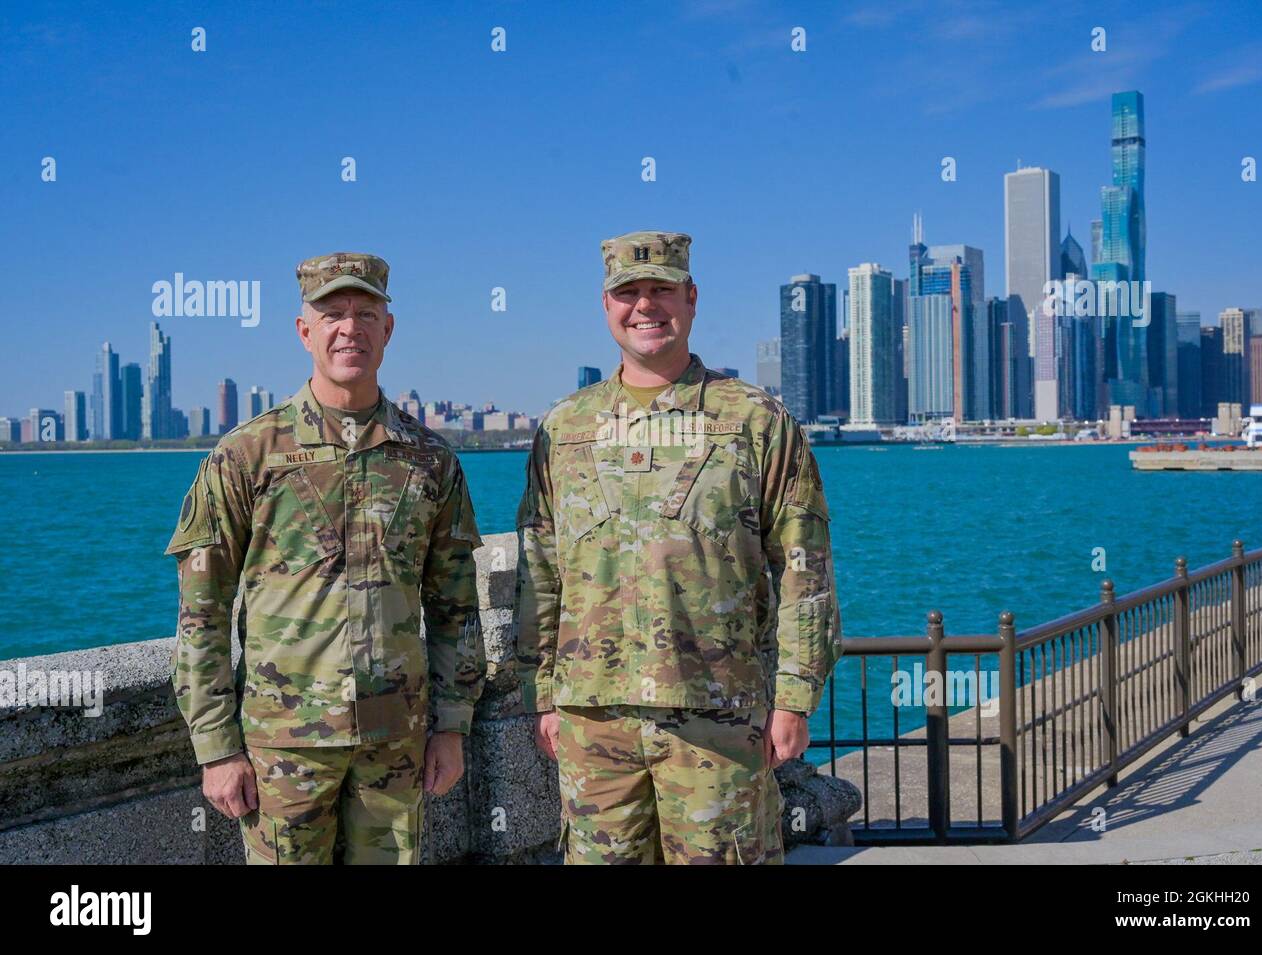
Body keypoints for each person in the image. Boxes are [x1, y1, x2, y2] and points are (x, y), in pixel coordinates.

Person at [513, 230, 842, 864]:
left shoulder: (753, 419)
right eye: (628, 293)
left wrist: (795, 696)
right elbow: (540, 566)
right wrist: (543, 693)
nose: (645, 306)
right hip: (593, 717)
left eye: (661, 289)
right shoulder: (566, 427)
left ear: (690, 299)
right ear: (606, 306)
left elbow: (805, 568)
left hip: (716, 715)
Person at [165, 252, 484, 864]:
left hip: (397, 742)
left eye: (366, 313)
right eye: (332, 313)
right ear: (303, 330)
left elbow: (454, 607)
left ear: (387, 330)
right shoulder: (248, 455)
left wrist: (452, 723)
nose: (350, 328)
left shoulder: (429, 459)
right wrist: (216, 747)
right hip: (284, 747)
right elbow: (201, 613)